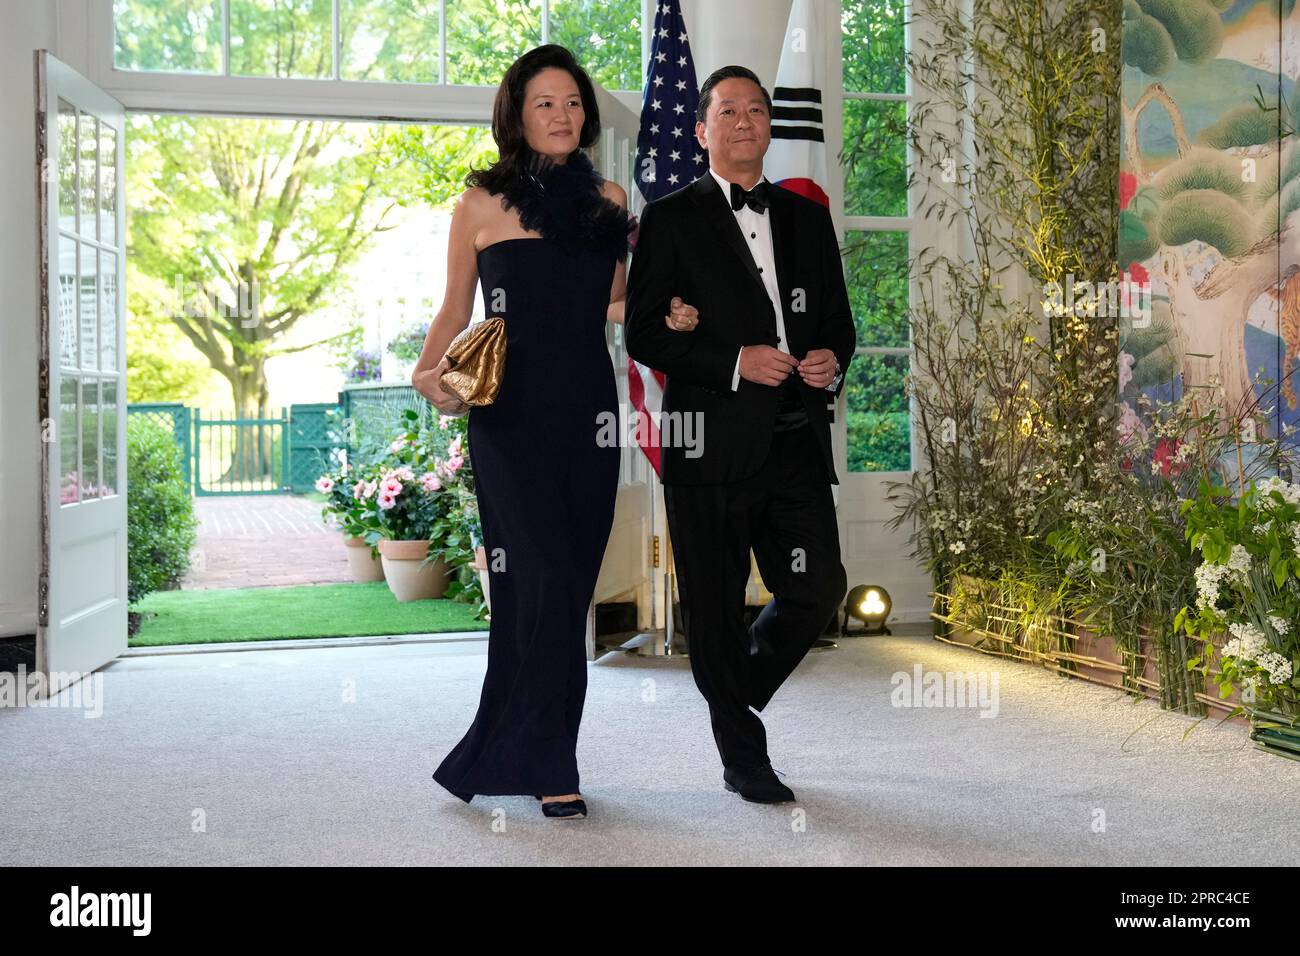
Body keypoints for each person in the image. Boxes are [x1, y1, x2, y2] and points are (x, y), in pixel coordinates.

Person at [411, 44, 694, 819]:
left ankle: (541, 755)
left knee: (568, 590)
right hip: (508, 417)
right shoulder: (478, 203)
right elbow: (453, 309)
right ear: (516, 113)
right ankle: (543, 761)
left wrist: (662, 312)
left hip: (588, 416)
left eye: (572, 102)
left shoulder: (606, 199)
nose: (562, 115)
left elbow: (611, 304)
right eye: (545, 102)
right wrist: (427, 371)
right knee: (530, 578)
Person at [624, 65, 855, 804]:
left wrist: (829, 360)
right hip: (707, 445)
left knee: (818, 588)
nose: (746, 121)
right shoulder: (667, 218)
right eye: (728, 111)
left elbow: (839, 328)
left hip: (794, 439)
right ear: (702, 130)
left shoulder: (807, 218)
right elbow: (643, 335)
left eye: (757, 109)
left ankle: (732, 689)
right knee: (715, 604)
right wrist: (731, 361)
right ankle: (743, 757)